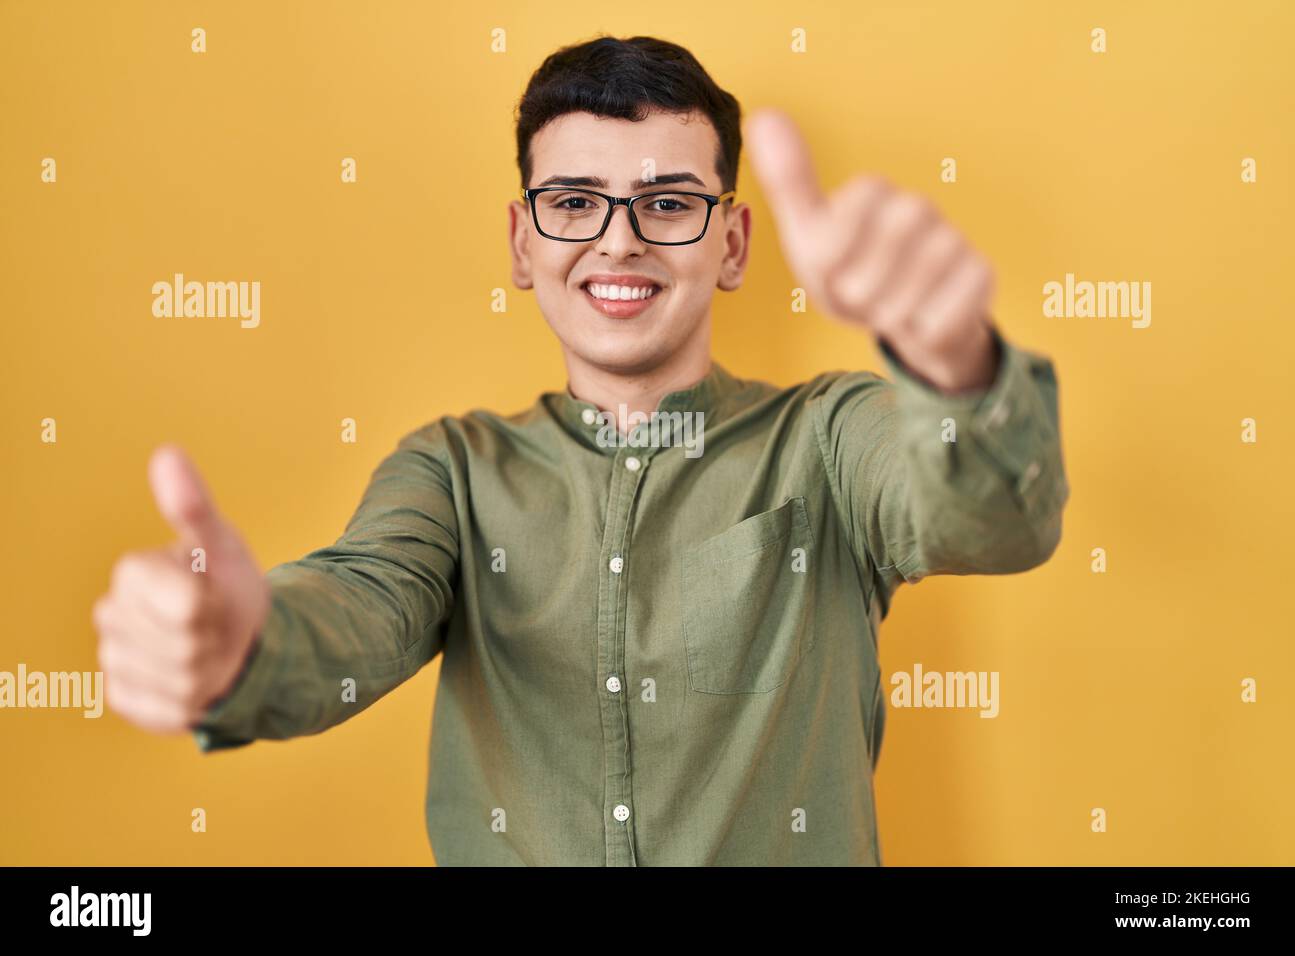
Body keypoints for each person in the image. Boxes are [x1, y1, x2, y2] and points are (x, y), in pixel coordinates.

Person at [92, 34, 1068, 865]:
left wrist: (955, 368)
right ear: (524, 242)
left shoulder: (827, 436)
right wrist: (247, 644)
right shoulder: (450, 468)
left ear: (731, 245)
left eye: (669, 203)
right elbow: (361, 603)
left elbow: (994, 522)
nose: (619, 241)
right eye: (573, 201)